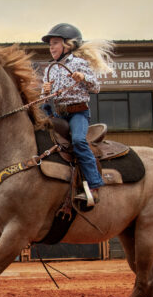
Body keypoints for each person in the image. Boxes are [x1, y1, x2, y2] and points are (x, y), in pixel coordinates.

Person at [40, 23, 112, 207]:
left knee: (79, 141)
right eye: (50, 44)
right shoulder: (51, 68)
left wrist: (83, 77)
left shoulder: (79, 63)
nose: (51, 47)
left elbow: (96, 87)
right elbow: (45, 99)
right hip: (57, 114)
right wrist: (45, 91)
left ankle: (94, 185)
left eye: (55, 43)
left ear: (68, 45)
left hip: (77, 113)